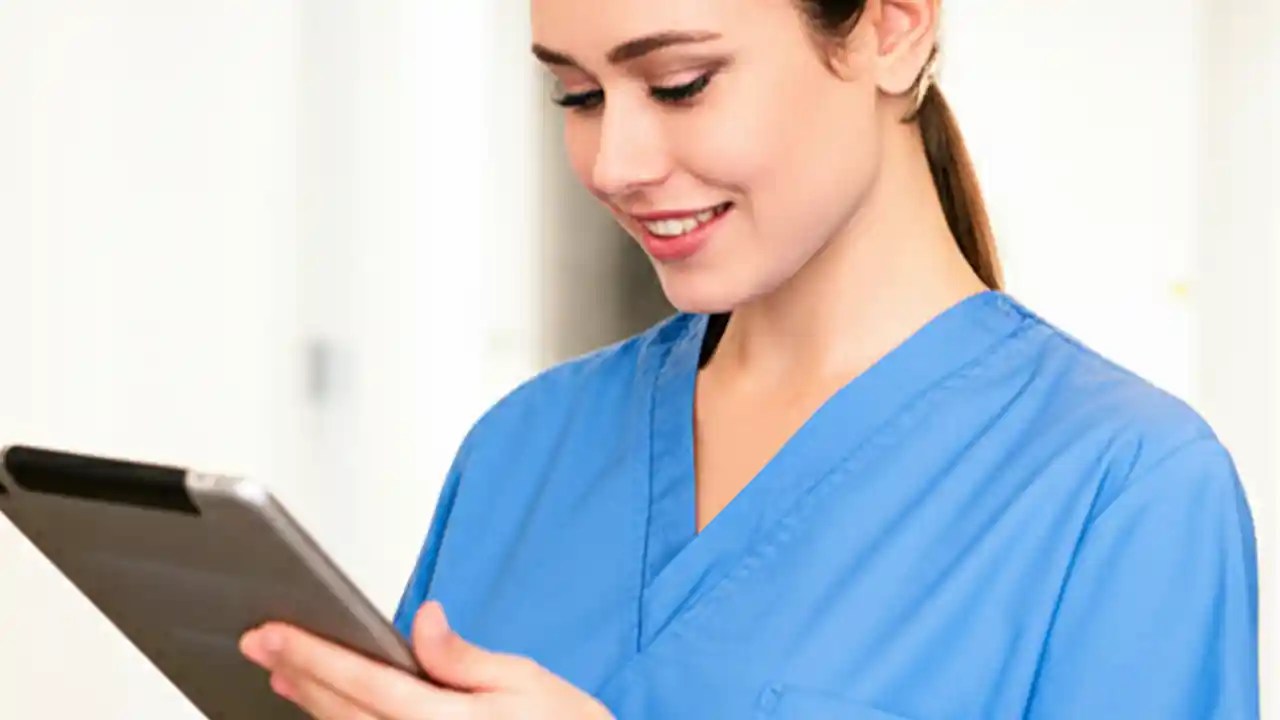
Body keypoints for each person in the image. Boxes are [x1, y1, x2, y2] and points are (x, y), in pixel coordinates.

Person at [238, 0, 1260, 717]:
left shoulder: (1120, 489)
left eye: (679, 85)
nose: (616, 164)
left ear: (890, 25)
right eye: (577, 98)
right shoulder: (522, 447)